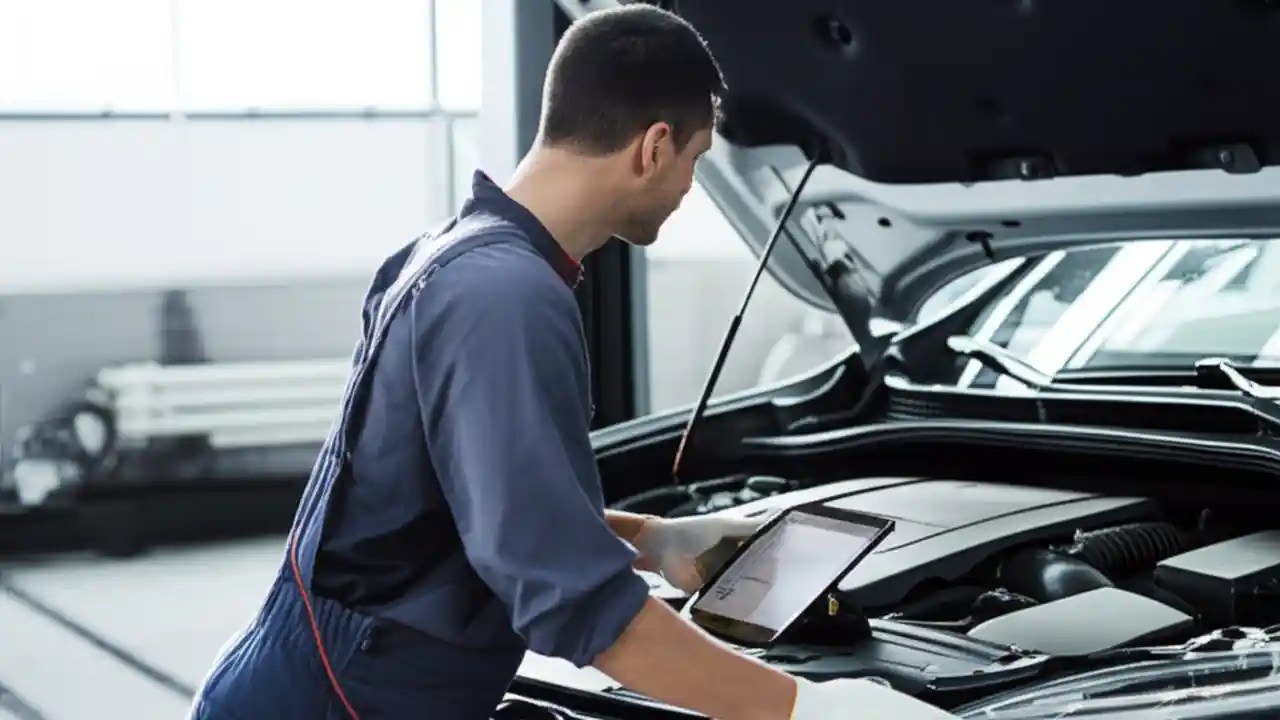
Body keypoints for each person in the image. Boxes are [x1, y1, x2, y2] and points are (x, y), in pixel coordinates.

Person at [187, 5, 957, 720]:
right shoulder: (506, 296)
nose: (691, 186)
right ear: (654, 146)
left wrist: (651, 538)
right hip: (337, 701)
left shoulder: (450, 258)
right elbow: (582, 614)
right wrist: (811, 710)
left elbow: (452, 506)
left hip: (312, 679)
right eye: (694, 159)